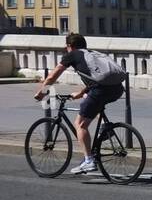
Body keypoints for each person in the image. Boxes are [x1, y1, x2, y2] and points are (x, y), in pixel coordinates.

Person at [33, 33, 130, 174]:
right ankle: (104, 126)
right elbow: (96, 79)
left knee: (80, 124)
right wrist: (80, 93)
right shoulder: (92, 54)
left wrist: (42, 92)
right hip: (117, 89)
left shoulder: (71, 55)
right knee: (88, 99)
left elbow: (53, 76)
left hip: (100, 90)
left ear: (69, 46)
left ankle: (89, 161)